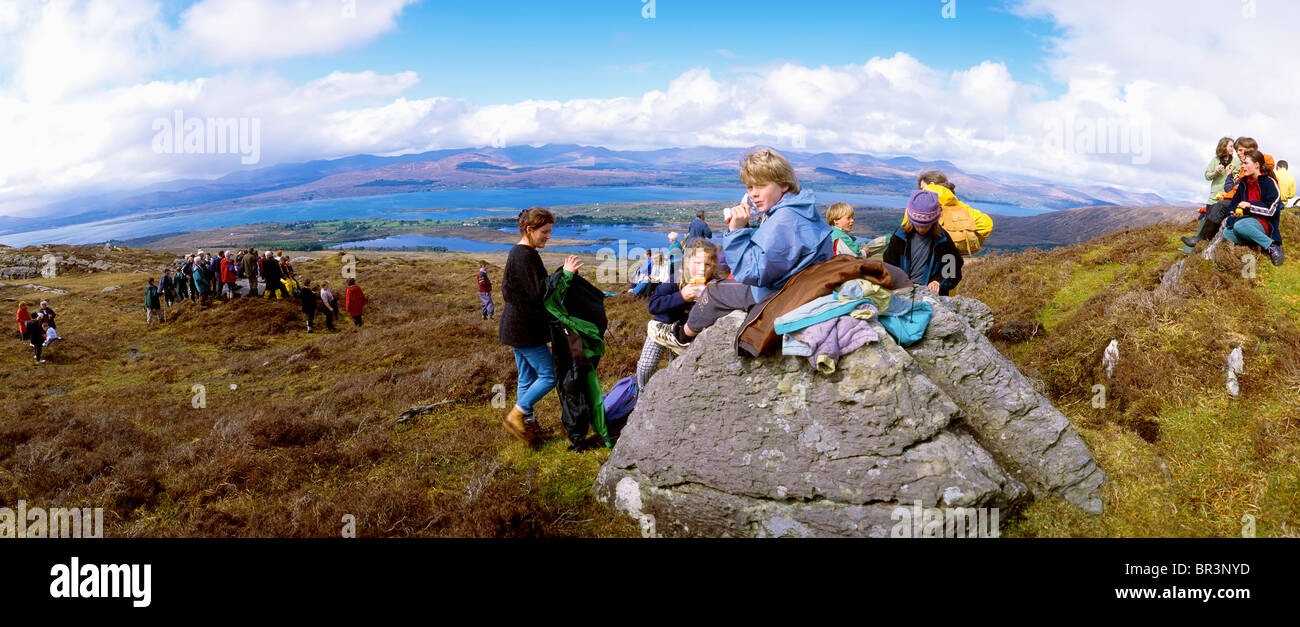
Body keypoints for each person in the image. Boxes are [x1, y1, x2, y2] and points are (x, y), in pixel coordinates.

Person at [648, 148, 833, 353]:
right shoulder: (799, 208)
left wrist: (736, 231)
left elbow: (753, 272)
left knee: (714, 290)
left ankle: (682, 336)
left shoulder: (784, 220)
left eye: (761, 185)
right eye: (750, 186)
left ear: (784, 184)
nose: (753, 193)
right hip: (797, 285)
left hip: (779, 292)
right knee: (723, 284)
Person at [498, 206, 583, 445]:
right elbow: (540, 292)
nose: (548, 236)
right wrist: (565, 275)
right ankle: (516, 415)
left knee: (526, 377)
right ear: (529, 229)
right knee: (548, 375)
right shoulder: (524, 255)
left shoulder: (519, 253)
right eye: (544, 232)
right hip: (525, 330)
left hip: (517, 327)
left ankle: (528, 425)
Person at [636, 238, 718, 390]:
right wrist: (681, 297)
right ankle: (642, 392)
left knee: (678, 371)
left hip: (686, 336)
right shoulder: (676, 280)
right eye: (697, 263)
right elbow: (653, 305)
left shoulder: (713, 286)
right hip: (661, 330)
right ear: (687, 262)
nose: (702, 268)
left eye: (707, 265)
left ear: (713, 268)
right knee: (646, 366)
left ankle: (667, 395)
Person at [883, 189, 964, 295]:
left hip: (932, 295)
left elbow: (953, 267)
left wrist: (938, 281)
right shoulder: (900, 236)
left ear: (934, 221)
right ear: (911, 219)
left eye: (926, 225)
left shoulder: (943, 240)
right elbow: (889, 266)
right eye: (918, 224)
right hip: (903, 292)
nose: (922, 229)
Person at [1221, 150, 1284, 265]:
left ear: (1256, 165)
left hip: (1265, 223)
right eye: (1242, 163)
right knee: (1226, 233)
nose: (1242, 166)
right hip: (1246, 220)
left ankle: (1272, 247)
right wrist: (1234, 212)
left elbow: (1272, 210)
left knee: (1240, 226)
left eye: (1246, 163)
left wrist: (1250, 205)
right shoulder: (1243, 183)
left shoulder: (1269, 182)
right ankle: (1257, 242)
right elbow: (1234, 204)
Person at [910, 170, 992, 256]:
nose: (921, 191)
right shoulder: (960, 207)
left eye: (923, 188)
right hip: (951, 263)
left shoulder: (919, 206)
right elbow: (986, 224)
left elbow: (906, 231)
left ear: (931, 185)